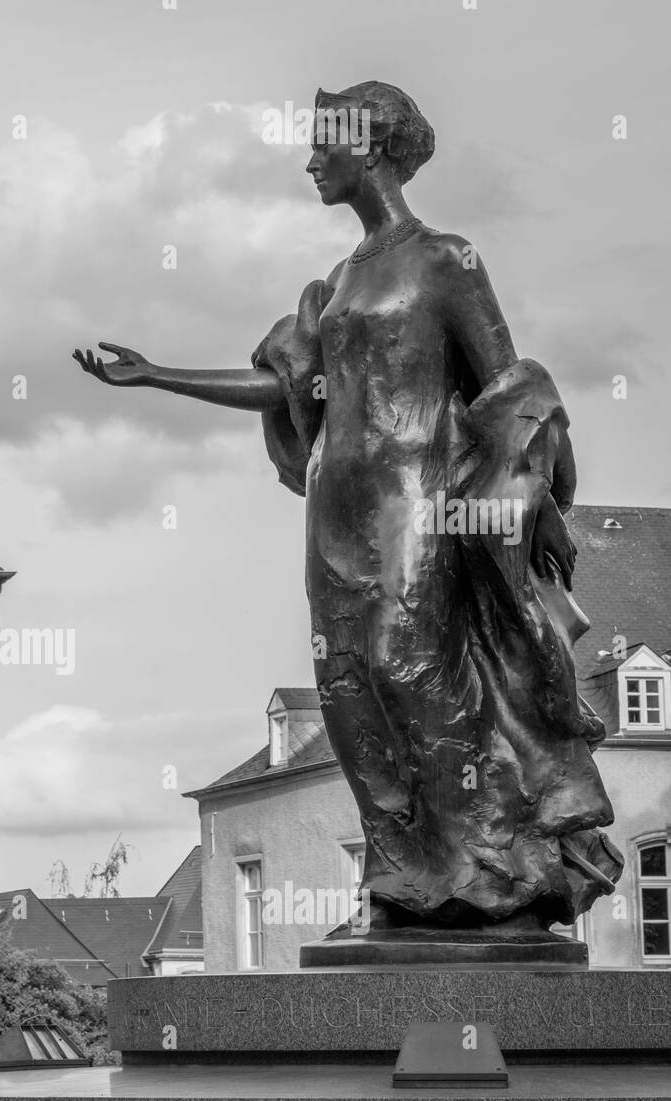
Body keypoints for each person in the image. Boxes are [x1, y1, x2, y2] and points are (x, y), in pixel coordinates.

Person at [74, 81, 620, 932]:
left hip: (419, 500)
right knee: (350, 685)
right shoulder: (334, 284)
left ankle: (487, 877)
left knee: (411, 666)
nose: (309, 158)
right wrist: (155, 376)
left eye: (323, 141)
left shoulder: (445, 260)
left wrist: (535, 493)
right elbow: (286, 387)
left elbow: (508, 383)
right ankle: (402, 884)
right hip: (337, 504)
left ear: (370, 147)